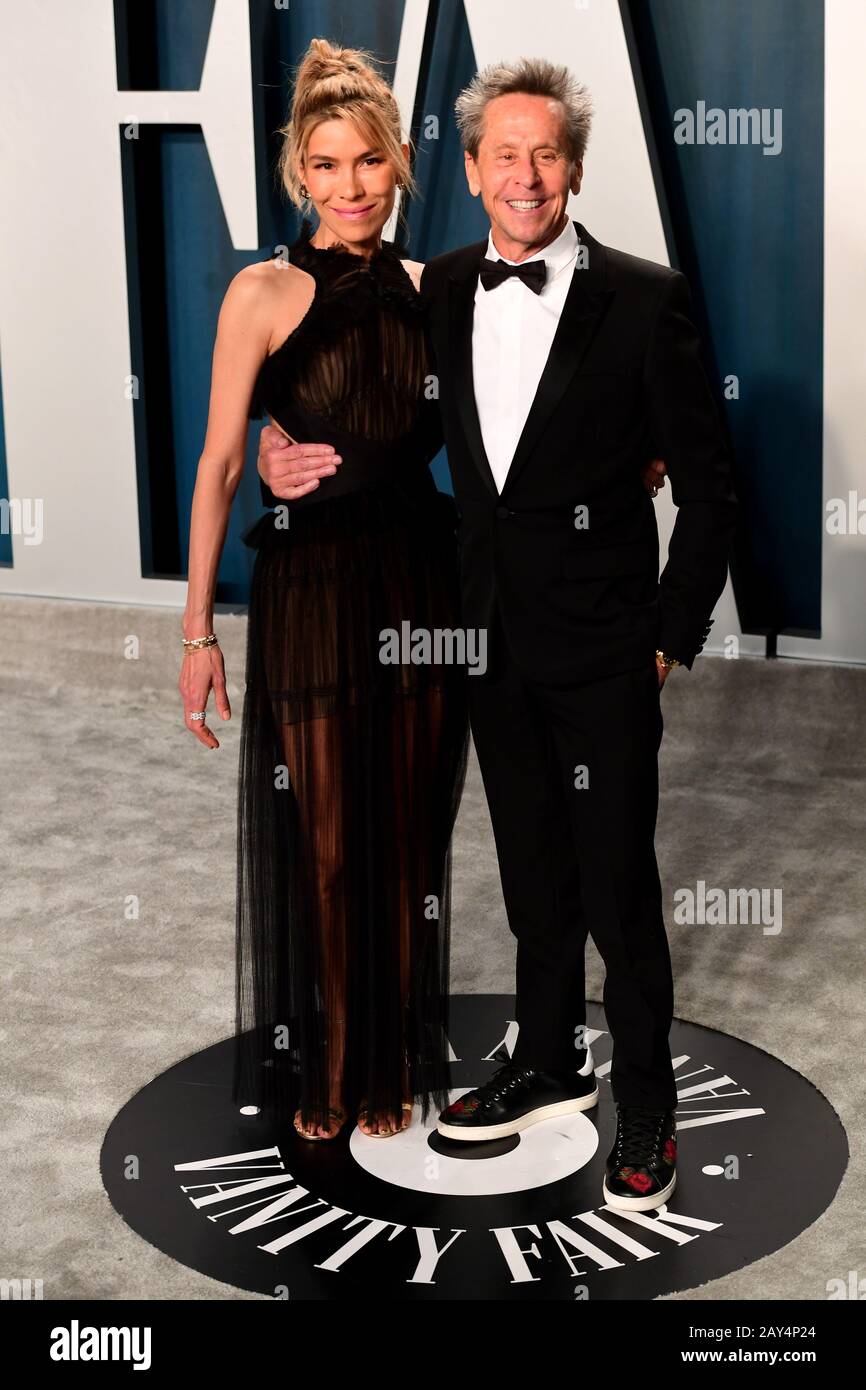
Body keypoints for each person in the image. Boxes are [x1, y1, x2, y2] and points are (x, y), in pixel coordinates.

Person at [262, 55, 737, 1211]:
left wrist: (667, 638)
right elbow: (377, 420)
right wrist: (283, 450)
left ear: (572, 165)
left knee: (616, 880)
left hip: (608, 645)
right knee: (529, 871)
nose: (524, 175)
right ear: (470, 171)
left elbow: (711, 486)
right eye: (501, 155)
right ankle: (543, 1057)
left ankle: (650, 1110)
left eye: (545, 153)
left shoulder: (644, 295)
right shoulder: (441, 287)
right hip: (483, 640)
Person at [179, 37, 470, 1140]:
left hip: (420, 581)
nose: (350, 187)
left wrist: (632, 453)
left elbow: (515, 414)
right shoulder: (262, 291)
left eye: (369, 163)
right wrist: (199, 628)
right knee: (332, 841)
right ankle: (338, 1058)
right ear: (299, 176)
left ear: (399, 165)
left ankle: (392, 1049)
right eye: (326, 165)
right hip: (307, 588)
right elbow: (215, 462)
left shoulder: (437, 288)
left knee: (407, 837)